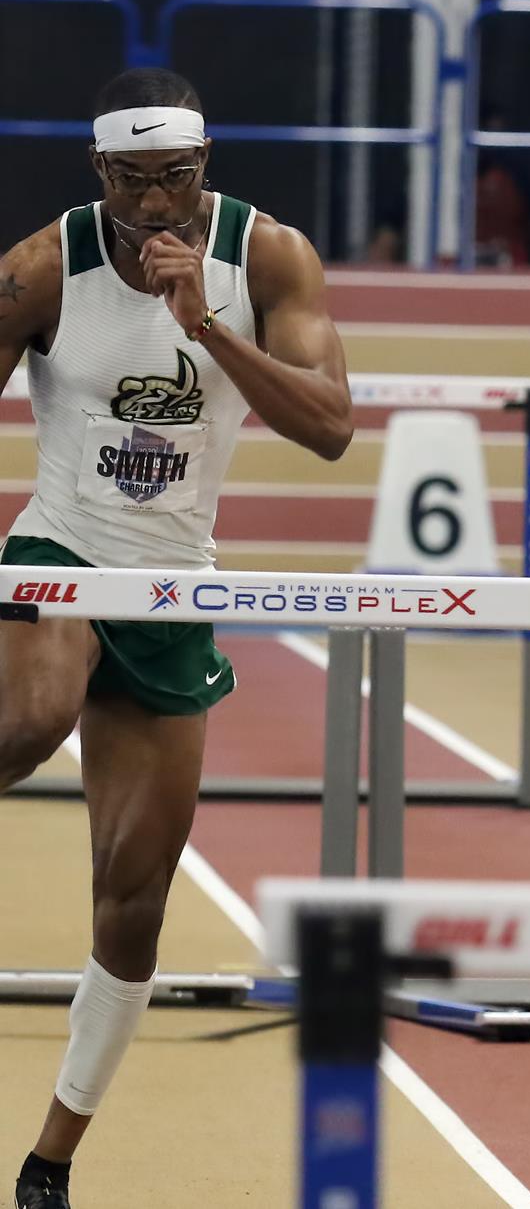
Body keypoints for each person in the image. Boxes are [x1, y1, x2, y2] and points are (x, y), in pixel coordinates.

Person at [2, 68, 353, 1209]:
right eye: (133, 181)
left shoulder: (270, 258)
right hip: (60, 546)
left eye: (177, 177)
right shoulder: (42, 267)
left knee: (135, 898)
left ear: (207, 164)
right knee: (31, 718)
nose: (157, 203)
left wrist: (203, 323)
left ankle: (50, 1159)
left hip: (171, 582)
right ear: (97, 171)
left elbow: (331, 427)